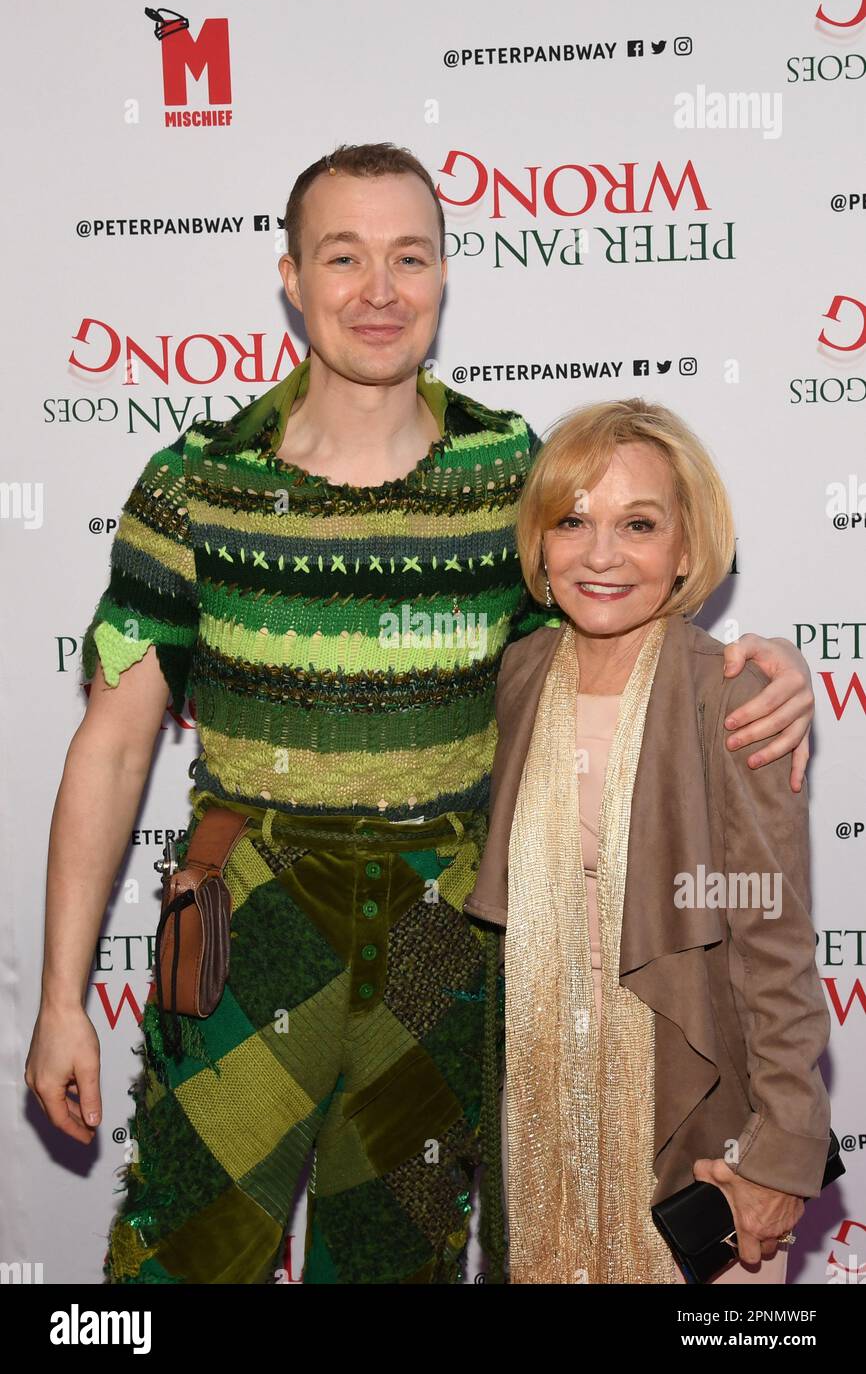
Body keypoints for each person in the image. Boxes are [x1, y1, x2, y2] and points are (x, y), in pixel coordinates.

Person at [26, 143, 817, 1286]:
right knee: (179, 1270)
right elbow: (108, 749)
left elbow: (620, 607)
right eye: (343, 256)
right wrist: (60, 1001)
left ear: (445, 276)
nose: (379, 289)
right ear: (291, 277)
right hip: (250, 929)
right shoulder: (194, 480)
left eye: (409, 256)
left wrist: (762, 661)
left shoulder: (509, 474)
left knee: (399, 1261)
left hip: (441, 942)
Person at [463, 398, 832, 1284]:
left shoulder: (731, 695)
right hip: (542, 1130)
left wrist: (782, 1155)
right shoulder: (515, 677)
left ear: (685, 549)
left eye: (638, 524)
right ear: (539, 546)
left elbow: (771, 941)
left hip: (701, 1149)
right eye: (573, 521)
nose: (600, 554)